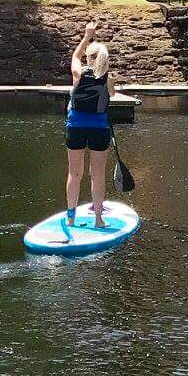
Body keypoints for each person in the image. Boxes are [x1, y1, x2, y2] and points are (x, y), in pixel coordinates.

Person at [64, 21, 113, 229]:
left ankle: (71, 218)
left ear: (89, 58)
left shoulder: (78, 75)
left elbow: (74, 57)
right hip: (99, 129)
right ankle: (99, 220)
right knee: (98, 175)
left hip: (75, 127)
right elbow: (110, 95)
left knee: (74, 174)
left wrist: (86, 36)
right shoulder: (108, 79)